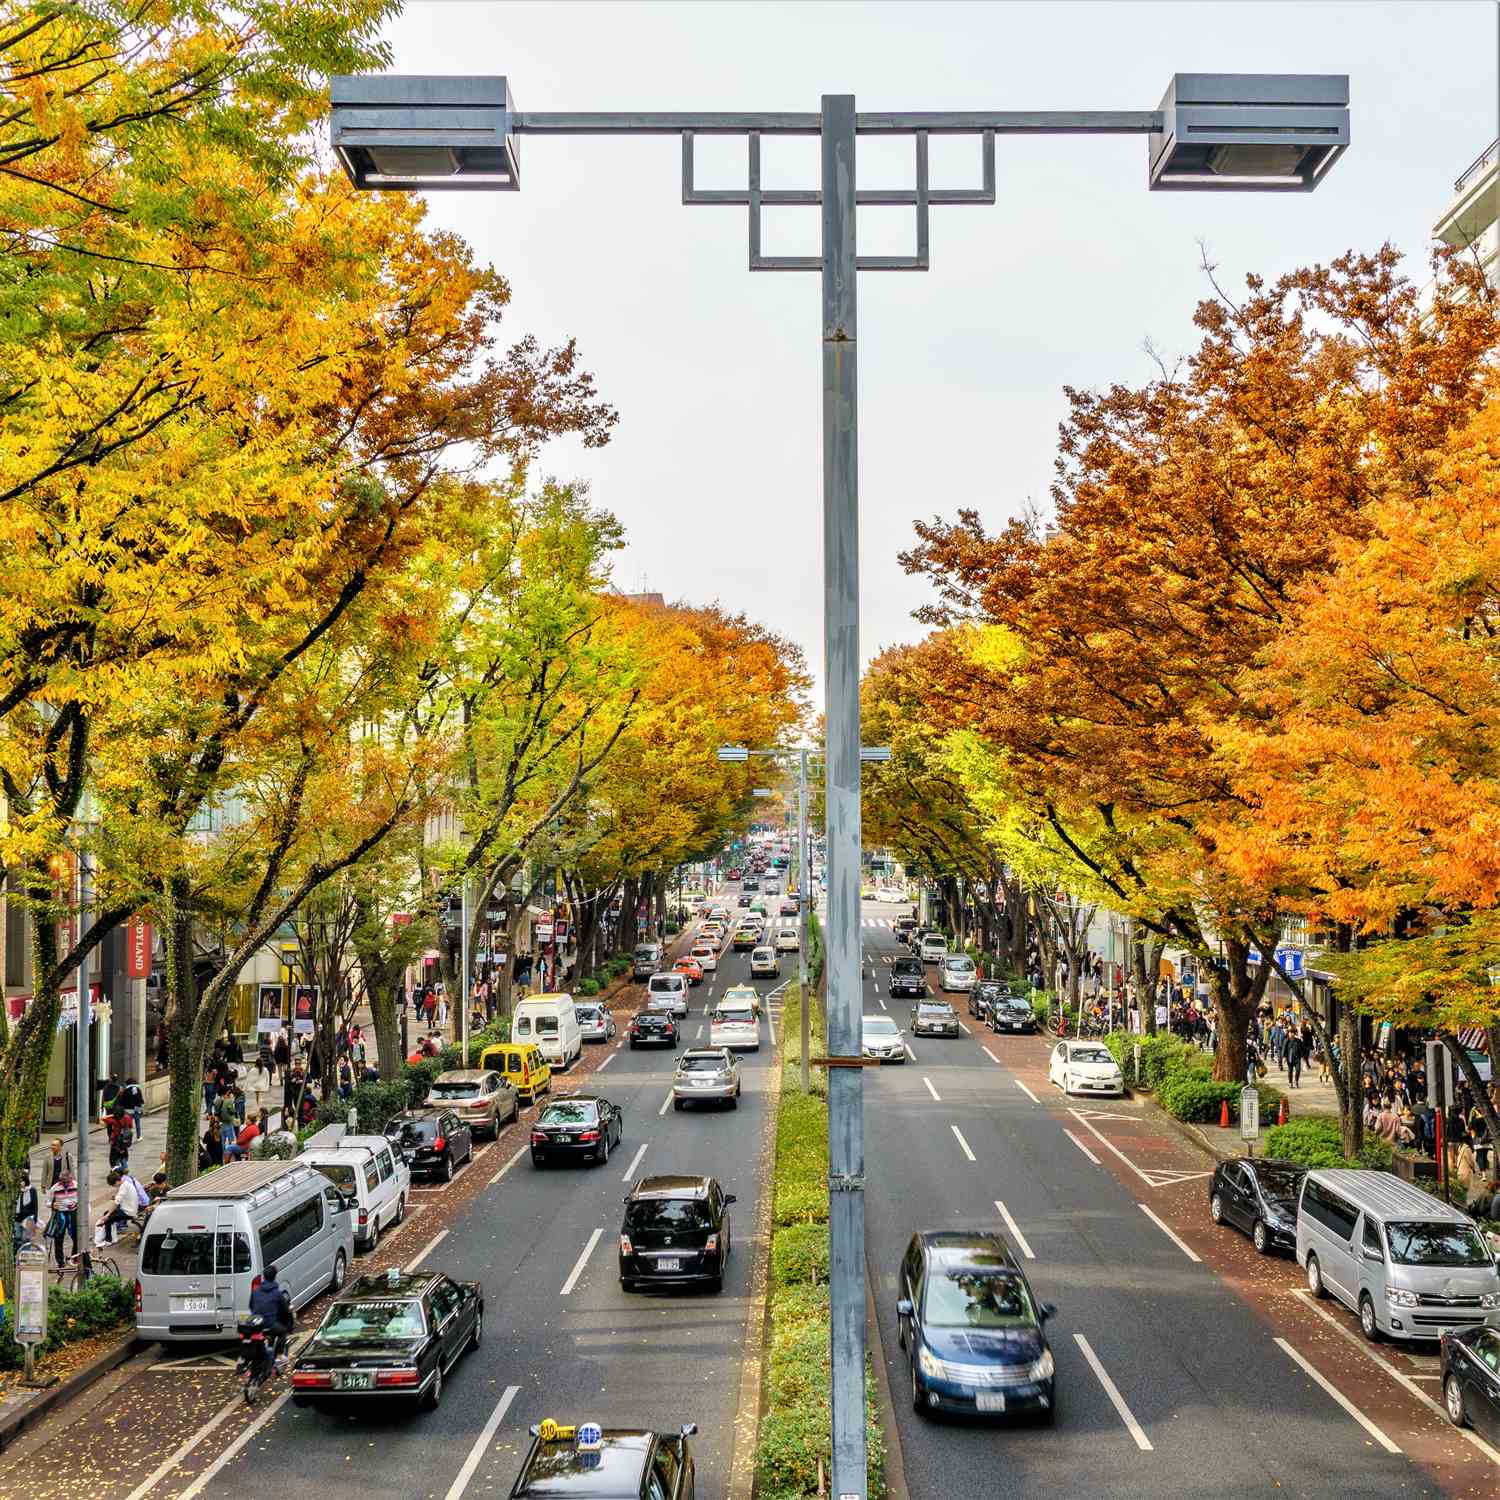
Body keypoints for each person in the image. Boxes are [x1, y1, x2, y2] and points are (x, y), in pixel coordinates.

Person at [248, 1262, 293, 1362]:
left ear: (263, 1277)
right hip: (269, 1323)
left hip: (256, 1323)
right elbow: (285, 1311)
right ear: (275, 1277)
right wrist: (289, 1326)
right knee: (282, 1332)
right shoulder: (277, 1293)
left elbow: (251, 1306)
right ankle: (279, 1355)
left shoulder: (255, 1291)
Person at [46, 1170, 79, 1268]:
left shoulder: (76, 1185)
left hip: (73, 1213)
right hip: (60, 1214)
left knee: (77, 1237)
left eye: (67, 1182)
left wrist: (76, 1203)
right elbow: (47, 1202)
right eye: (63, 1182)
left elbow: (82, 1198)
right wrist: (52, 1204)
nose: (65, 1184)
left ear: (70, 1179)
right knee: (59, 1238)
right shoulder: (54, 1188)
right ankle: (60, 1262)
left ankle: (74, 1258)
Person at [99, 1170, 137, 1244]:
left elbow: (116, 1203)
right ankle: (112, 1237)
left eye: (113, 1185)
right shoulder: (126, 1184)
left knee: (107, 1219)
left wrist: (108, 1215)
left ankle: (108, 1240)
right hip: (130, 1208)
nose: (114, 1186)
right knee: (107, 1214)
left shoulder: (123, 1187)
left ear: (117, 1181)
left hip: (128, 1212)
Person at [14, 1169, 38, 1252]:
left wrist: (34, 1219)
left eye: (22, 1181)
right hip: (16, 1217)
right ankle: (16, 1255)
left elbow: (35, 1206)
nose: (21, 1183)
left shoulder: (32, 1190)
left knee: (25, 1238)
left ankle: (24, 1255)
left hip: (28, 1218)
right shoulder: (15, 1190)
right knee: (17, 1237)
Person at [120, 1076, 145, 1141]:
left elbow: (122, 1101)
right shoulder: (138, 1089)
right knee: (137, 1123)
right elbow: (141, 1099)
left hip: (128, 1110)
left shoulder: (126, 1090)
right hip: (137, 1109)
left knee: (127, 1124)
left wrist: (122, 1107)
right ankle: (138, 1137)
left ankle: (127, 1138)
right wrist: (142, 1108)